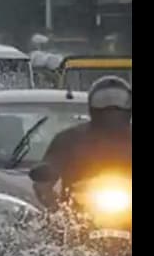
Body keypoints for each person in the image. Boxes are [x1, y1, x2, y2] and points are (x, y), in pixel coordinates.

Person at [32, 75, 132, 209]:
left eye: (118, 104)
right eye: (104, 103)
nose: (112, 109)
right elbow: (45, 179)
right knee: (45, 227)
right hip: (79, 215)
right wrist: (56, 208)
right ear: (92, 106)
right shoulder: (69, 139)